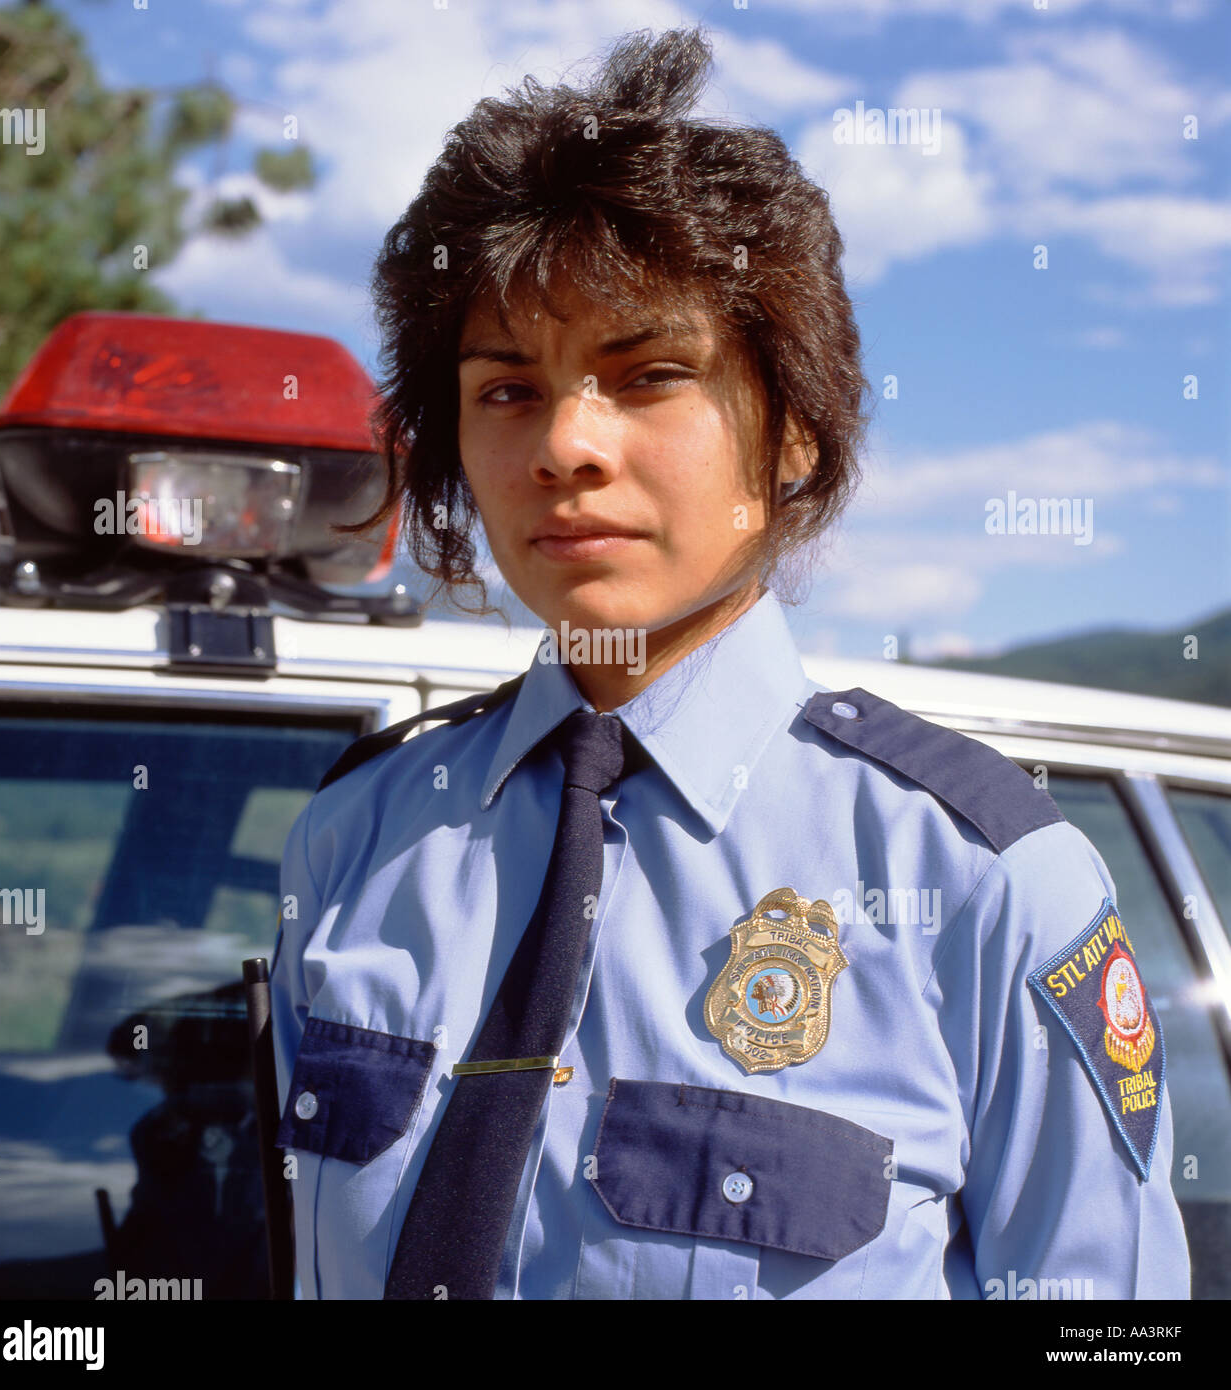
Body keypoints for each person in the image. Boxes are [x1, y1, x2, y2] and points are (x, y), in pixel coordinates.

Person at [268, 25, 1190, 1300]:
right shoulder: (357, 839)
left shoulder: (981, 878)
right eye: (504, 389)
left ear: (796, 434)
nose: (565, 445)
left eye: (648, 375)